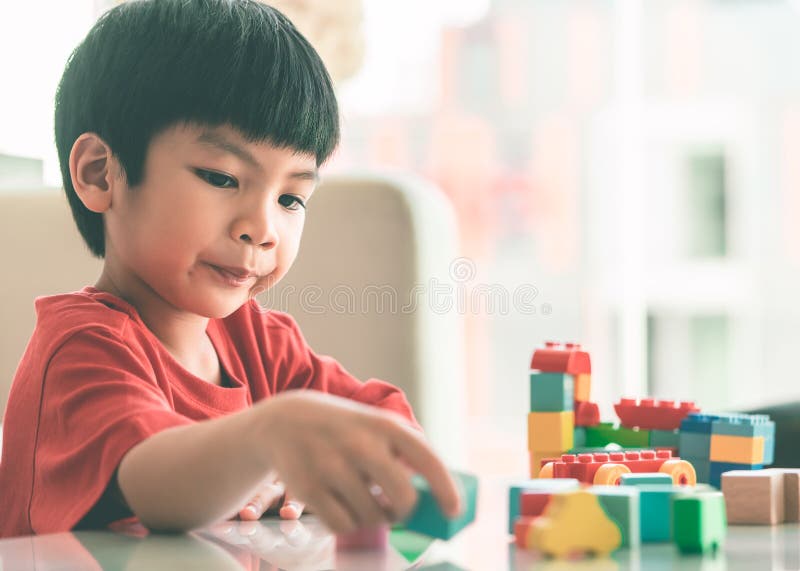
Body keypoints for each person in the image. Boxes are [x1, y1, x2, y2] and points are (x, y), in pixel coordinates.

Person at [0, 0, 460, 538]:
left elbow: (382, 423)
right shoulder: (82, 348)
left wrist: (323, 463)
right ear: (101, 174)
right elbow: (156, 483)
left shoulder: (259, 342)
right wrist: (271, 437)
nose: (262, 227)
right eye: (222, 178)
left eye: (291, 198)